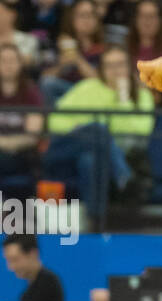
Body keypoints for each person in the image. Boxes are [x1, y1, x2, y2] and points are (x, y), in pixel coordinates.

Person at [45, 45, 153, 214]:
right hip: (68, 149)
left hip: (109, 154)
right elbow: (55, 120)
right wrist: (82, 129)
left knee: (90, 159)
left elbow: (140, 131)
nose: (115, 70)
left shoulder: (142, 96)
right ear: (102, 69)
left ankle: (95, 221)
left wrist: (123, 99)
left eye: (120, 64)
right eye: (110, 65)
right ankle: (124, 177)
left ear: (129, 67)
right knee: (98, 129)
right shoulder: (87, 87)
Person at [0, 45, 44, 196]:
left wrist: (8, 143)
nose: (8, 65)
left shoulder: (31, 93)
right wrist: (1, 142)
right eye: (3, 61)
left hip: (19, 154)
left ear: (20, 64)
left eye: (12, 60)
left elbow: (32, 136)